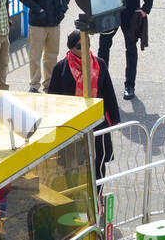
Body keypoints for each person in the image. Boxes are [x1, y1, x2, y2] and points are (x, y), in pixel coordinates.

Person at [48, 29, 122, 180]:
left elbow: (108, 93)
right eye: (80, 46)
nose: (84, 49)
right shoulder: (60, 69)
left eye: (87, 44)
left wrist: (114, 120)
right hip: (72, 125)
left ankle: (98, 195)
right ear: (71, 48)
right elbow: (52, 100)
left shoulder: (99, 64)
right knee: (72, 166)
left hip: (97, 123)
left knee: (99, 163)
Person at [97, 0, 153, 101]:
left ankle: (130, 85)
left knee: (131, 48)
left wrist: (146, 8)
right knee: (104, 46)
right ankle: (101, 84)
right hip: (111, 10)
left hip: (131, 12)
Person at [18, 0, 71, 92]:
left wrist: (63, 8)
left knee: (51, 56)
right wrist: (38, 9)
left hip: (54, 23)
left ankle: (49, 84)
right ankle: (34, 85)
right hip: (37, 25)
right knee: (35, 56)